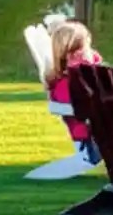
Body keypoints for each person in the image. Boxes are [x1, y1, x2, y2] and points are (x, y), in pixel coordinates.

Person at [46, 21, 103, 165]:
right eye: (87, 48)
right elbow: (77, 109)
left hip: (98, 135)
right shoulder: (67, 83)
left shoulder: (87, 76)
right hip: (92, 141)